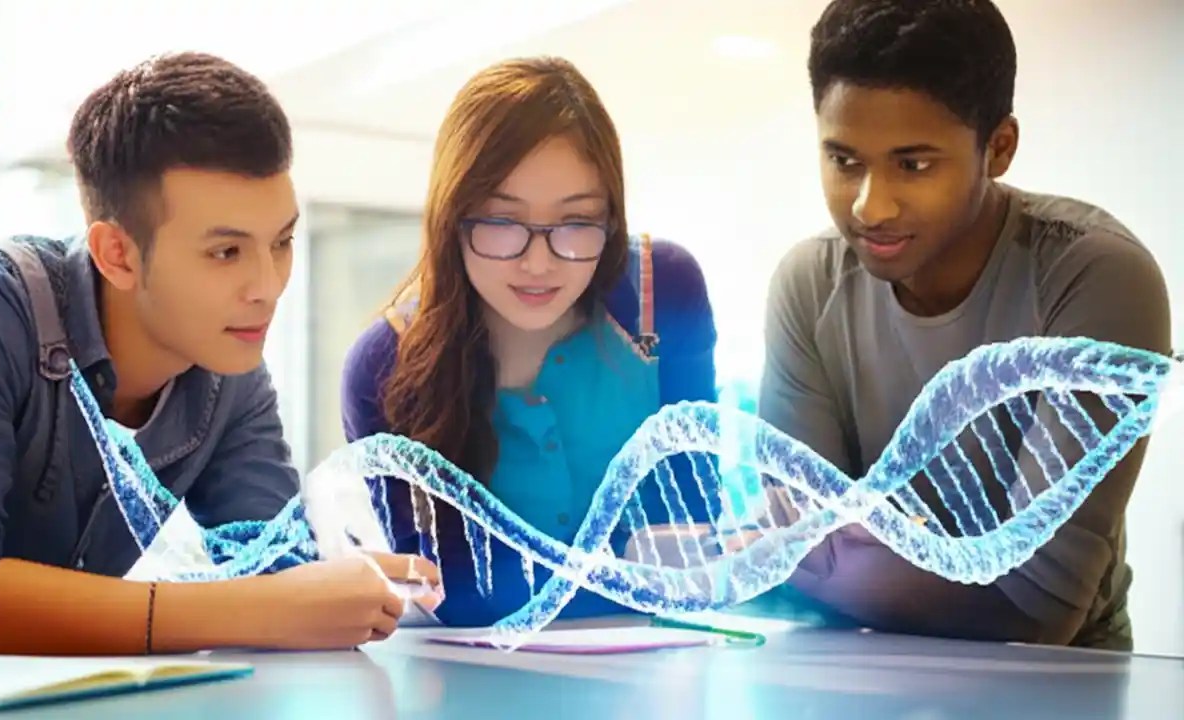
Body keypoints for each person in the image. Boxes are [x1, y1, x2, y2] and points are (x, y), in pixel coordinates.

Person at [0, 52, 440, 658]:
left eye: (283, 242)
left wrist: (338, 586)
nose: (267, 286)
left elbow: (267, 565)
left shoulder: (229, 368)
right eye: (226, 253)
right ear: (118, 255)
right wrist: (258, 608)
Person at [758, 0, 1173, 649]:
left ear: (999, 147)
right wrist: (807, 556)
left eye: (913, 164)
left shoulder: (1092, 276)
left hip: (1056, 685)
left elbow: (1038, 606)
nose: (872, 206)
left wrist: (801, 559)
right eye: (844, 161)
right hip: (853, 665)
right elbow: (793, 538)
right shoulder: (808, 284)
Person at [340, 56, 719, 626]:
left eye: (576, 223)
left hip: (659, 669)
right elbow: (445, 593)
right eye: (501, 221)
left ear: (611, 217)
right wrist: (625, 569)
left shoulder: (661, 293)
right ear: (451, 217)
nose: (539, 263)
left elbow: (692, 538)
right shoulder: (383, 365)